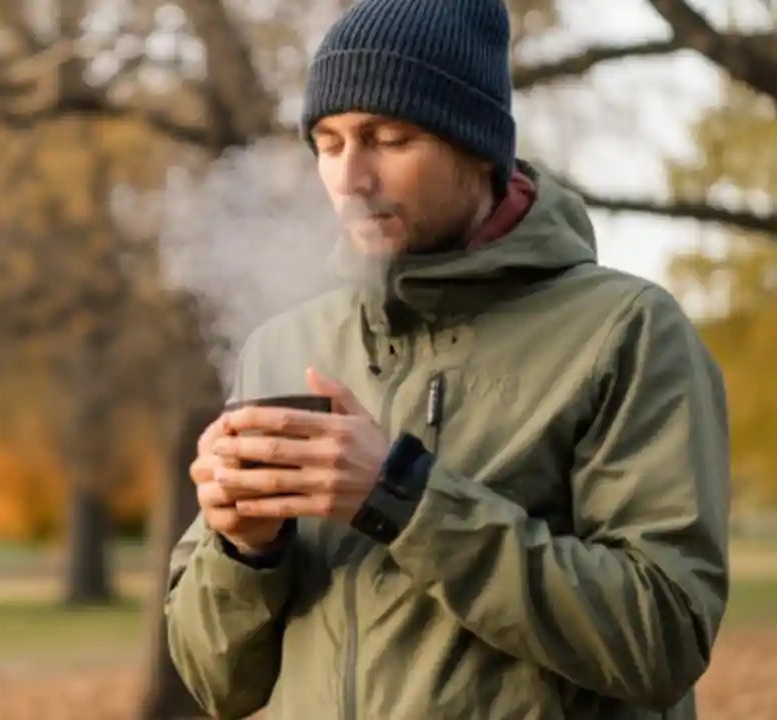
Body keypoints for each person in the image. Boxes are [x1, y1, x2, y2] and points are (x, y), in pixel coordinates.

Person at [163, 0, 731, 718]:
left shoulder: (628, 333)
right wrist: (244, 552)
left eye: (388, 138)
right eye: (329, 143)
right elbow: (217, 682)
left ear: (478, 147)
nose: (350, 178)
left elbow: (664, 639)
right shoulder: (283, 346)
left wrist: (401, 496)